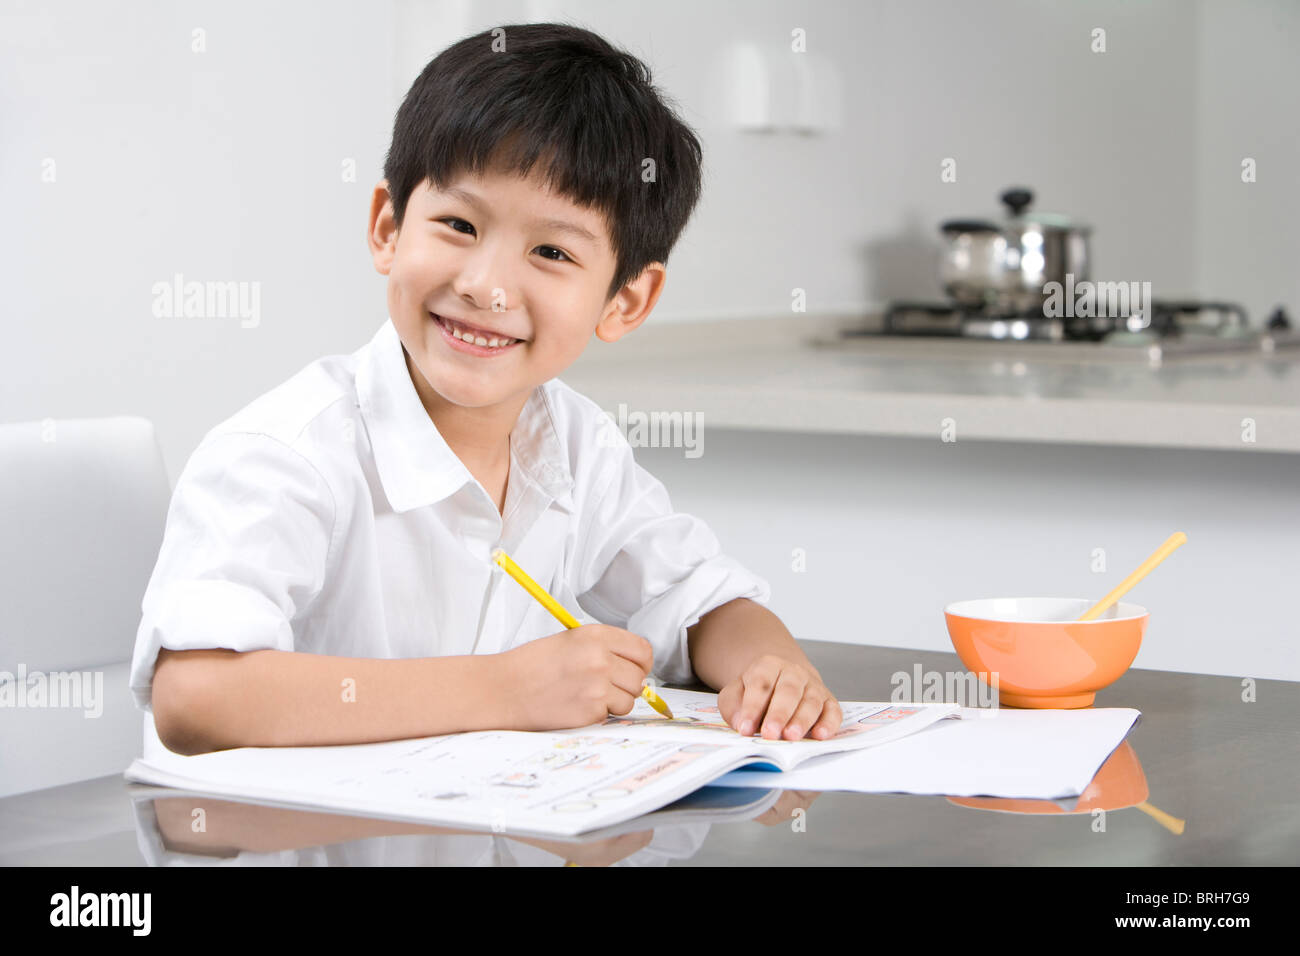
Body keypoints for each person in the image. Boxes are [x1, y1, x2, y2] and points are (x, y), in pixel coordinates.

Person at [131, 22, 843, 757]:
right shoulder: (288, 453)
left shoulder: (576, 444)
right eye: (459, 224)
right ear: (387, 227)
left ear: (625, 301)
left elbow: (697, 600)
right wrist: (506, 689)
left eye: (551, 251)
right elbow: (196, 695)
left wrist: (771, 668)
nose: (487, 287)